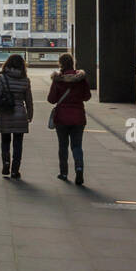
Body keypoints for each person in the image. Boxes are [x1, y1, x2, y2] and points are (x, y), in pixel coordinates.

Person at [47, 52, 91, 185]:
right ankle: (79, 168)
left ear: (60, 64)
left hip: (62, 118)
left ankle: (64, 173)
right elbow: (87, 96)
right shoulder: (81, 79)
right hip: (78, 117)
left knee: (63, 146)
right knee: (77, 146)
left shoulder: (58, 79)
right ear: (73, 63)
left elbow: (51, 99)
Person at [0, 53, 33, 179]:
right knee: (18, 143)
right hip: (20, 114)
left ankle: (6, 163)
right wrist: (29, 115)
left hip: (5, 113)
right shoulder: (25, 80)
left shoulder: (2, 78)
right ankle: (15, 170)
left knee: (5, 141)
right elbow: (29, 100)